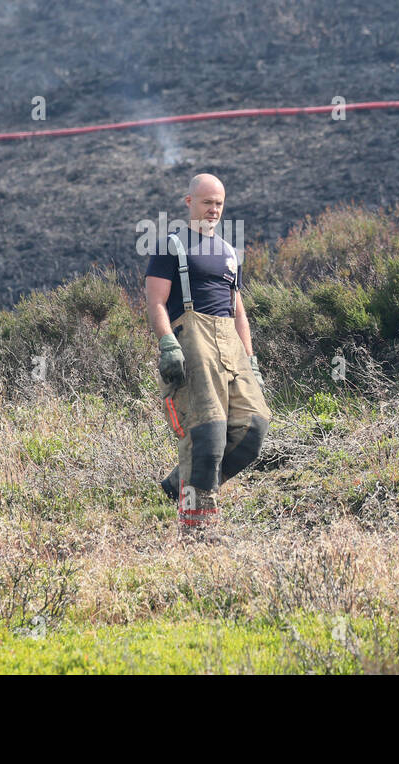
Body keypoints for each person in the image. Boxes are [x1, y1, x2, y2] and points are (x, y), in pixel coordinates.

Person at [144, 173, 271, 540]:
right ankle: (197, 529)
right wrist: (168, 342)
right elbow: (155, 302)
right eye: (206, 202)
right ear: (189, 202)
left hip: (229, 340)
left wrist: (252, 360)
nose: (213, 209)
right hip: (192, 338)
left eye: (218, 203)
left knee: (254, 427)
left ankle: (178, 484)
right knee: (208, 433)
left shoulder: (230, 252)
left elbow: (239, 311)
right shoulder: (170, 245)